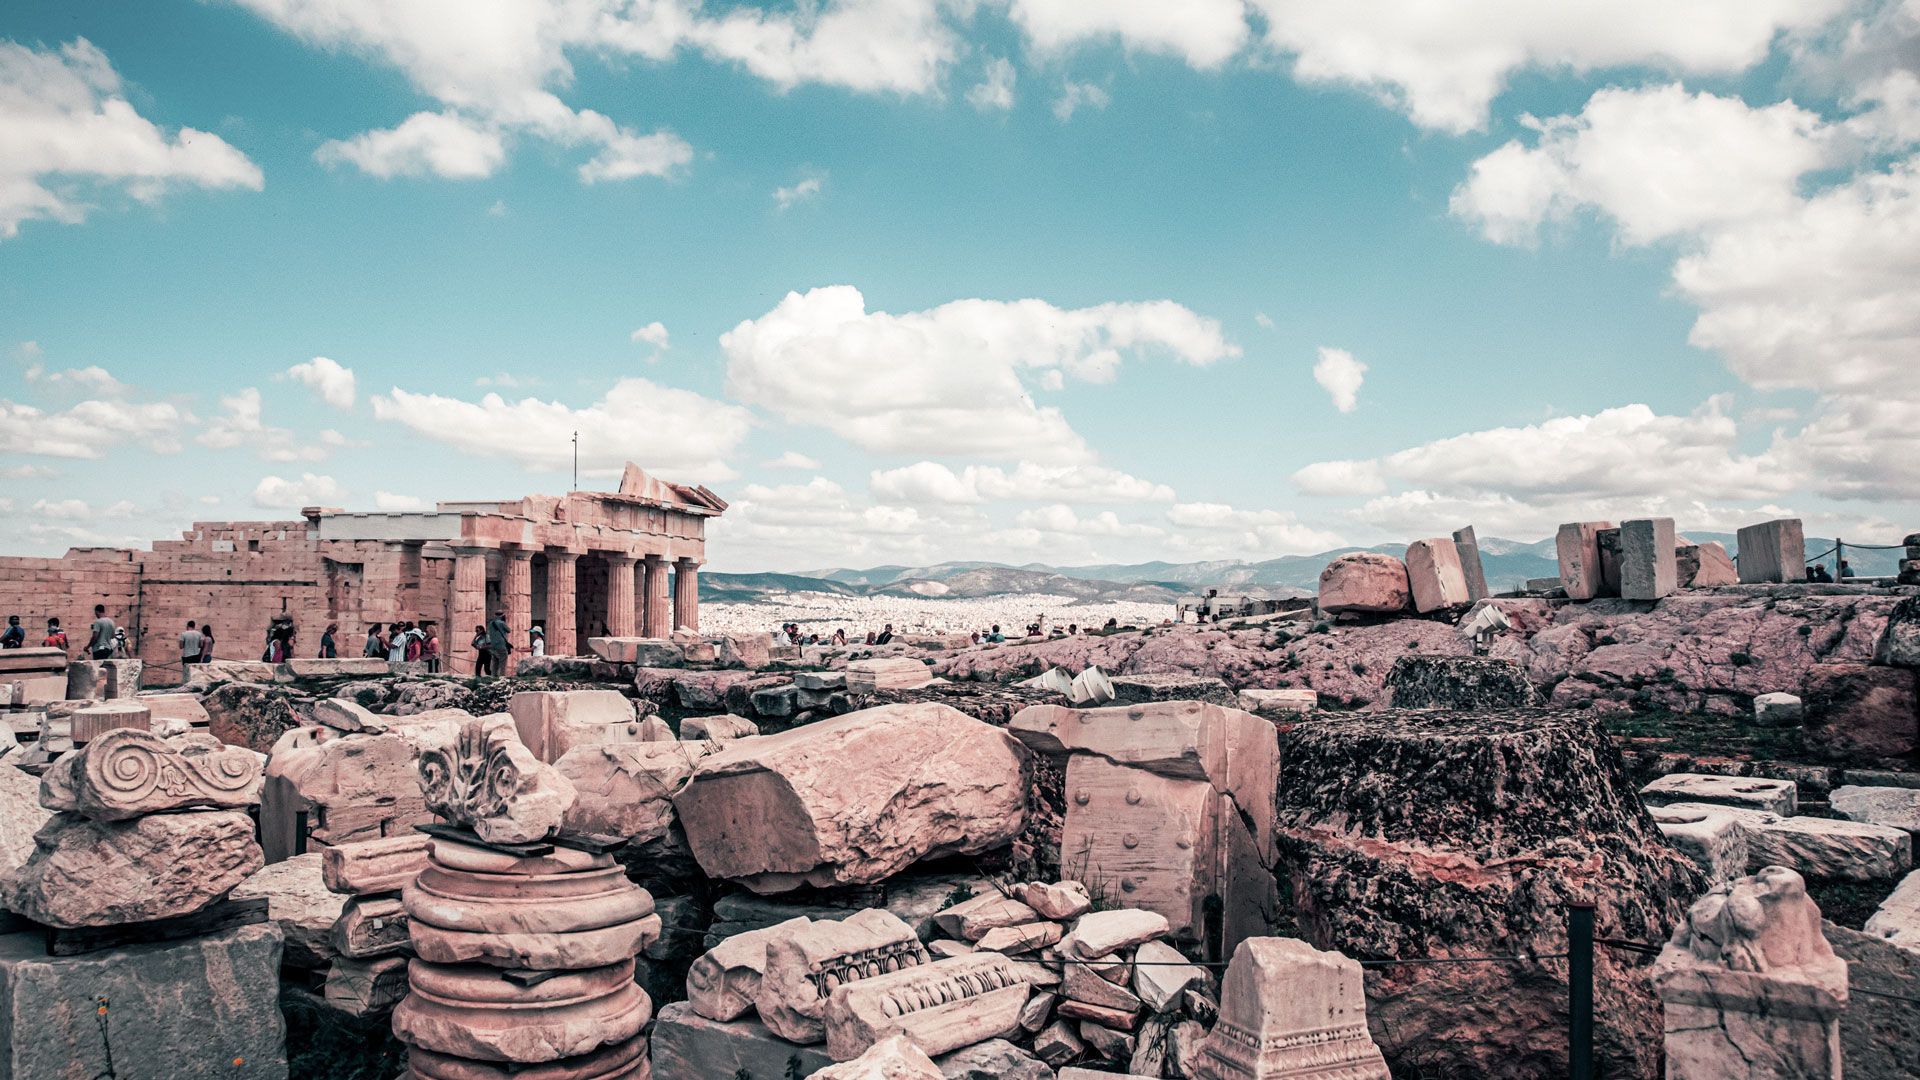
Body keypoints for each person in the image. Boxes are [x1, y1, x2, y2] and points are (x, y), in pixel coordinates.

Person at [486, 612, 511, 676]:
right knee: (503, 662)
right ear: (502, 616)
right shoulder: (502, 623)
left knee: (495, 662)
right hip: (501, 645)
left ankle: (493, 676)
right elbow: (509, 630)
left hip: (493, 645)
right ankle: (502, 676)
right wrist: (504, 621)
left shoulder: (491, 623)